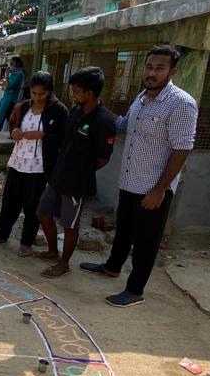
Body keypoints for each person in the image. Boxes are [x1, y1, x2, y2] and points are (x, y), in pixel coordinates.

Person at [80, 44, 197, 308]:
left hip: (153, 187)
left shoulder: (181, 104)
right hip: (130, 180)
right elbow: (124, 125)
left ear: (172, 71)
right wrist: (99, 110)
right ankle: (112, 267)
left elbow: (182, 149)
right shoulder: (142, 98)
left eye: (159, 68)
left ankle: (135, 290)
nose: (152, 73)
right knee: (125, 230)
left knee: (146, 241)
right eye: (149, 67)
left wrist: (160, 189)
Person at [35, 67, 117, 277]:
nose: (73, 95)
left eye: (76, 91)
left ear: (89, 94)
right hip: (57, 176)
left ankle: (64, 264)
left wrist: (80, 170)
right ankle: (53, 252)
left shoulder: (104, 121)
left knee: (70, 225)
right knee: (43, 213)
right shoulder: (76, 111)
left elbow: (102, 159)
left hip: (76, 184)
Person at [0, 71, 68, 256]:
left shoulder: (59, 110)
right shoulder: (22, 107)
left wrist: (43, 135)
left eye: (41, 94)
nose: (37, 97)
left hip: (39, 167)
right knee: (9, 203)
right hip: (18, 162)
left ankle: (26, 242)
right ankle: (2, 235)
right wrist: (14, 131)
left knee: (32, 207)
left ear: (49, 92)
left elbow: (63, 138)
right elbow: (13, 124)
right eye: (34, 93)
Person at [0, 56, 25, 131]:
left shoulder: (19, 74)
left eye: (12, 63)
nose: (11, 65)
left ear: (18, 64)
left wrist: (7, 76)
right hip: (6, 97)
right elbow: (6, 86)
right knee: (0, 116)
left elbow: (9, 86)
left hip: (11, 100)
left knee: (3, 117)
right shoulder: (13, 73)